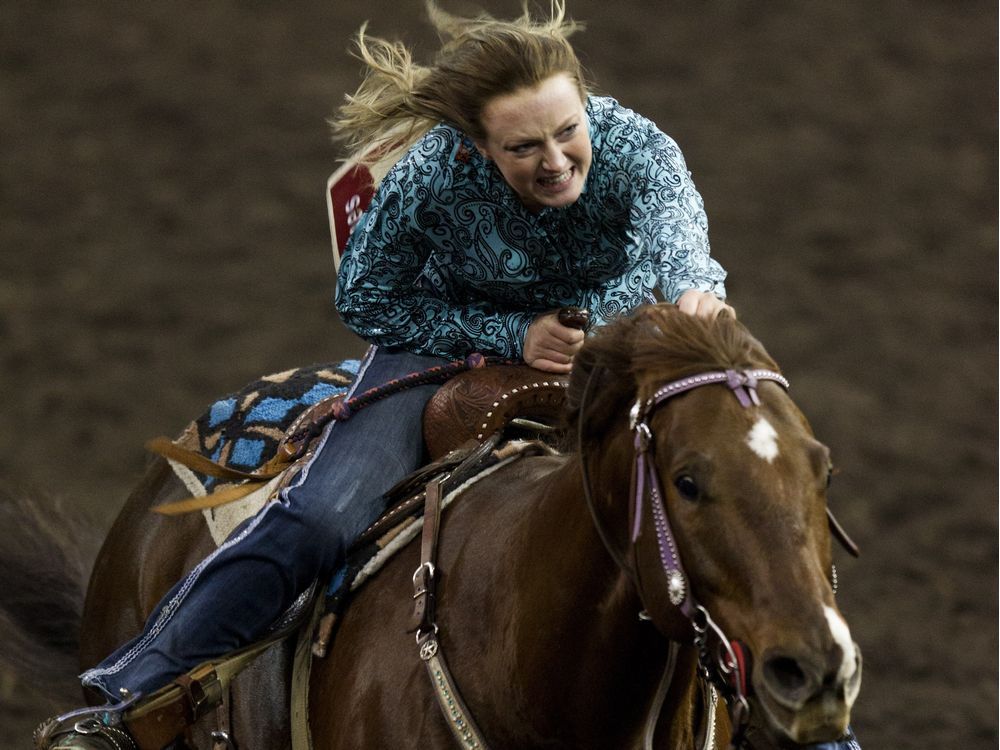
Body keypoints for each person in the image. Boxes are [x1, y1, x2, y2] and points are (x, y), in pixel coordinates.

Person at [38, 2, 859, 749]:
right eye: (523, 146)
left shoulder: (641, 150)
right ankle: (126, 700)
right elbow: (368, 295)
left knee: (750, 486)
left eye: (568, 131)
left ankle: (819, 715)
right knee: (320, 519)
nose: (556, 161)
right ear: (476, 146)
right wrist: (508, 333)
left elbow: (682, 254)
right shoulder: (430, 178)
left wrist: (693, 308)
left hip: (616, 354)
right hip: (442, 357)